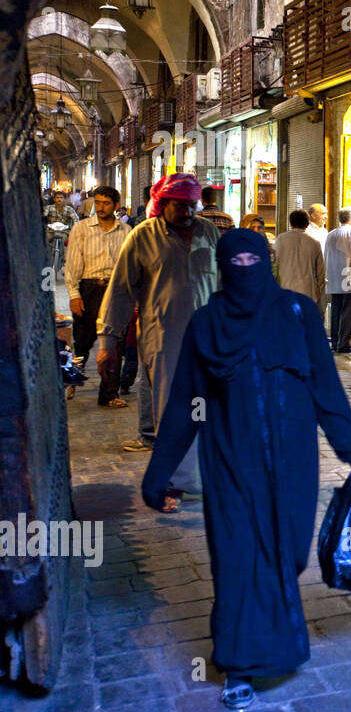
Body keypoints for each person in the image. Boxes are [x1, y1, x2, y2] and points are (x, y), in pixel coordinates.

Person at [139, 228, 351, 710]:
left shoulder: (298, 312)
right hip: (230, 462)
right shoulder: (207, 323)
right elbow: (187, 403)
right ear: (224, 267)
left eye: (253, 258)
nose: (244, 266)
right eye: (235, 259)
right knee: (239, 557)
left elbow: (325, 385)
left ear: (265, 262)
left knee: (287, 555)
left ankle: (281, 645)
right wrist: (159, 470)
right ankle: (240, 664)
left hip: (293, 462)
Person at [97, 173, 220, 508]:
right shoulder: (143, 237)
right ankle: (174, 481)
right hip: (164, 340)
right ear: (163, 204)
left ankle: (201, 476)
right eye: (179, 205)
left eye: (191, 205)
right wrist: (108, 342)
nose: (187, 211)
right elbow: (121, 290)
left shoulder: (209, 233)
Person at [64, 185, 130, 407]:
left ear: (116, 206)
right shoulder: (81, 229)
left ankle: (109, 394)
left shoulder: (125, 231)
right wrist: (74, 295)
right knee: (83, 340)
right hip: (89, 289)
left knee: (115, 343)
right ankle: (72, 380)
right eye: (98, 202)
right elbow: (73, 264)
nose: (100, 207)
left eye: (106, 203)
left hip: (115, 291)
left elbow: (129, 266)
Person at [323, 208, 351, 353]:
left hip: (334, 278)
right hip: (349, 278)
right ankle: (343, 344)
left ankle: (335, 343)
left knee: (336, 311)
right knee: (349, 311)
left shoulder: (330, 234)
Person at [273, 210, 325, 307]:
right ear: (307, 224)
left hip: (286, 289)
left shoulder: (280, 240)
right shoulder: (314, 243)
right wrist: (319, 288)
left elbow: (275, 264)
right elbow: (321, 272)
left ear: (291, 223)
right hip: (308, 292)